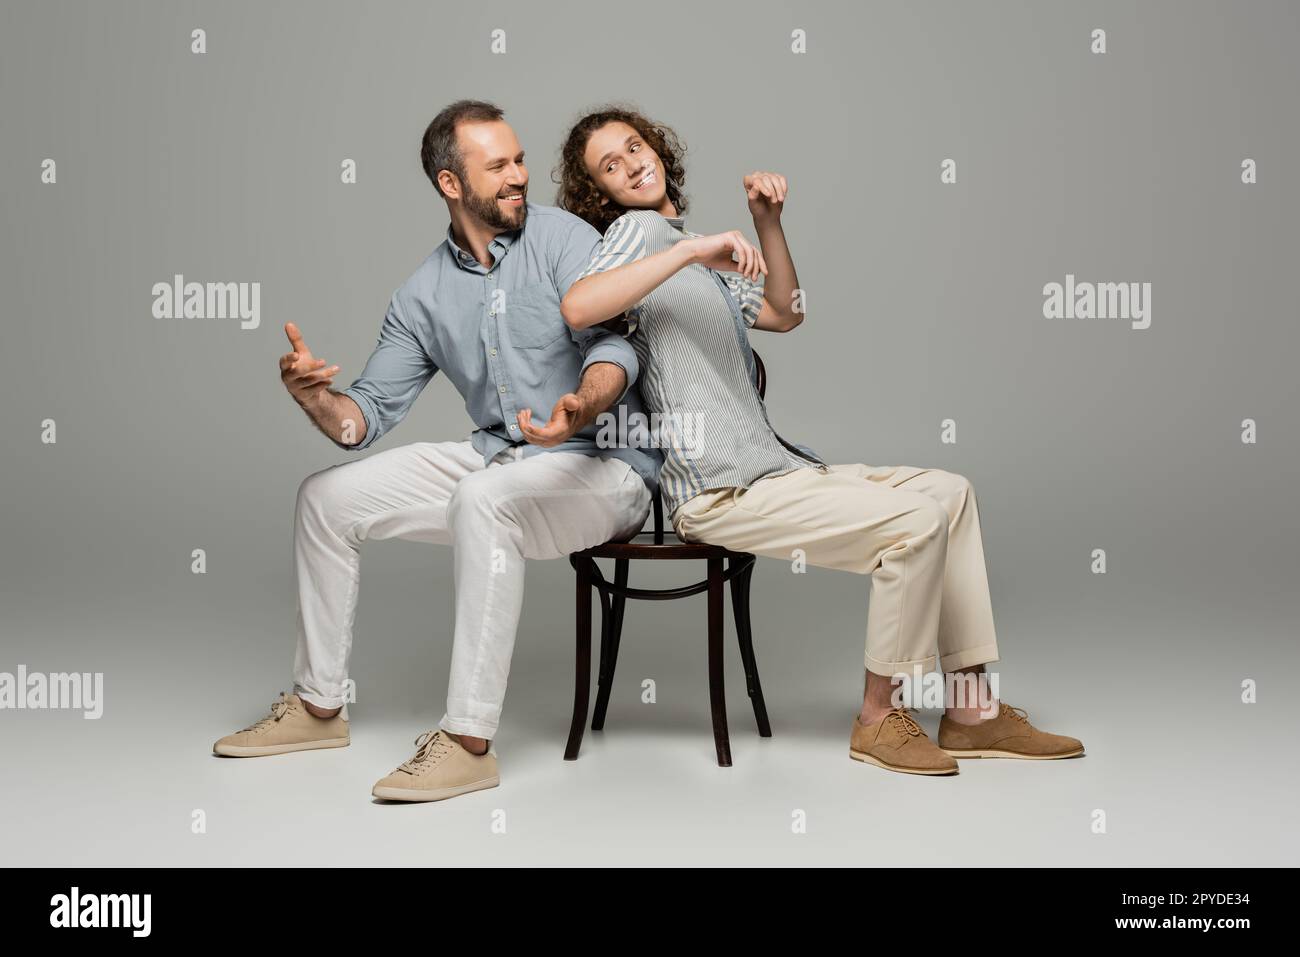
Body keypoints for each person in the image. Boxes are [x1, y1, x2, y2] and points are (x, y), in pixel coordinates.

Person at [541, 105, 1083, 775]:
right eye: (609, 166)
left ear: (655, 145)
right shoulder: (639, 232)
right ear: (601, 192)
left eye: (633, 145)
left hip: (774, 470)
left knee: (952, 492)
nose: (631, 163)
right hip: (717, 490)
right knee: (915, 523)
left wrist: (767, 224)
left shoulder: (694, 260)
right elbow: (578, 305)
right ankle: (879, 719)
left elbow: (782, 313)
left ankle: (972, 712)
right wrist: (684, 246)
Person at [212, 100, 660, 802]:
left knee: (483, 501)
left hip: (605, 466)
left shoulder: (564, 238)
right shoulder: (423, 293)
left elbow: (615, 343)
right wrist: (313, 398)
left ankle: (467, 741)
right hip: (502, 458)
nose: (519, 176)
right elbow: (361, 418)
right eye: (498, 167)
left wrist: (584, 401)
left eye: (518, 160)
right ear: (452, 185)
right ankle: (318, 705)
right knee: (325, 498)